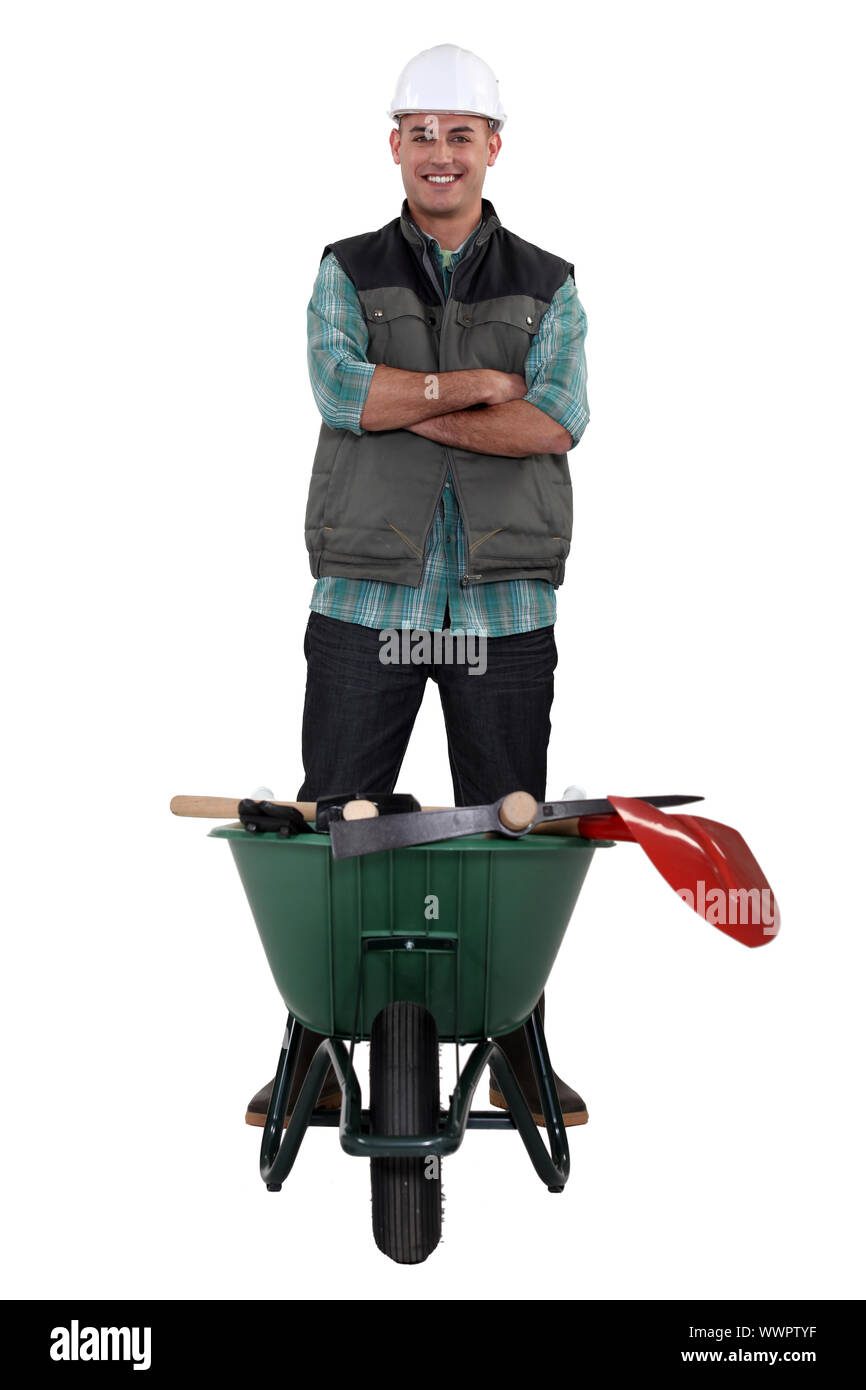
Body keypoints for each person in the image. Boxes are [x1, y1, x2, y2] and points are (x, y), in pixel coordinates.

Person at [246, 42, 591, 1130]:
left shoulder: (549, 282)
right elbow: (337, 387)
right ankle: (307, 1042)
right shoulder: (344, 269)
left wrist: (412, 402)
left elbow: (553, 420)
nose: (439, 154)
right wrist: (473, 384)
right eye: (420, 133)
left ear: (493, 148)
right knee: (332, 825)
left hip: (501, 605)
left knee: (509, 837)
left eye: (459, 134)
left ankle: (517, 1047)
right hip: (366, 599)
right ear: (393, 145)